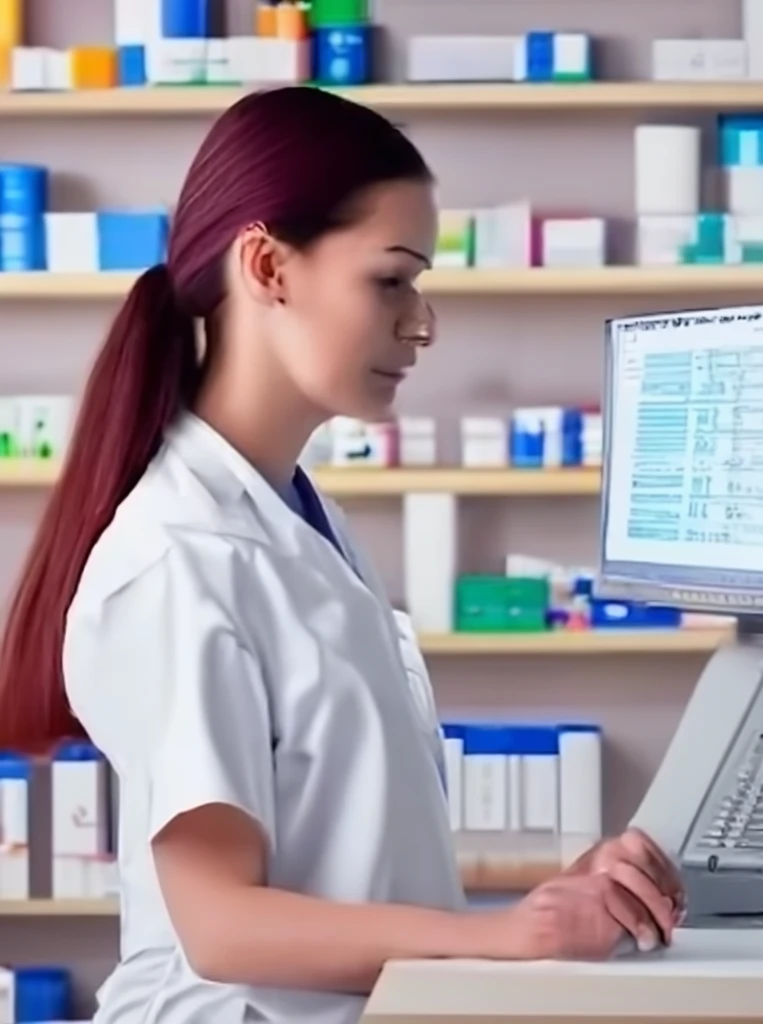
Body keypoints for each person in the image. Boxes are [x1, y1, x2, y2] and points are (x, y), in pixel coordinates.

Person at [0, 87, 682, 1024]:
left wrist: (552, 906)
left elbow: (343, 861)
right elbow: (224, 928)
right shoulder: (178, 557)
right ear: (270, 266)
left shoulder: (294, 514)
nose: (423, 322)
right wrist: (507, 936)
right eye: (391, 278)